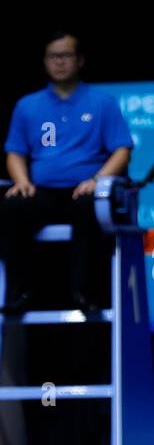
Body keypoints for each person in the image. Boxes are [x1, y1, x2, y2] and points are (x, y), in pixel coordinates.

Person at [1, 31, 133, 312]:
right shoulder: (27, 105)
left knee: (91, 207)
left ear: (80, 60)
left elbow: (122, 149)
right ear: (45, 61)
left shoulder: (102, 103)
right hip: (43, 192)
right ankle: (18, 294)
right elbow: (15, 151)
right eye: (53, 56)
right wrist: (22, 181)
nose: (59, 62)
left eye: (66, 55)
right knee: (13, 206)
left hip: (84, 191)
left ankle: (85, 294)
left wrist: (98, 180)